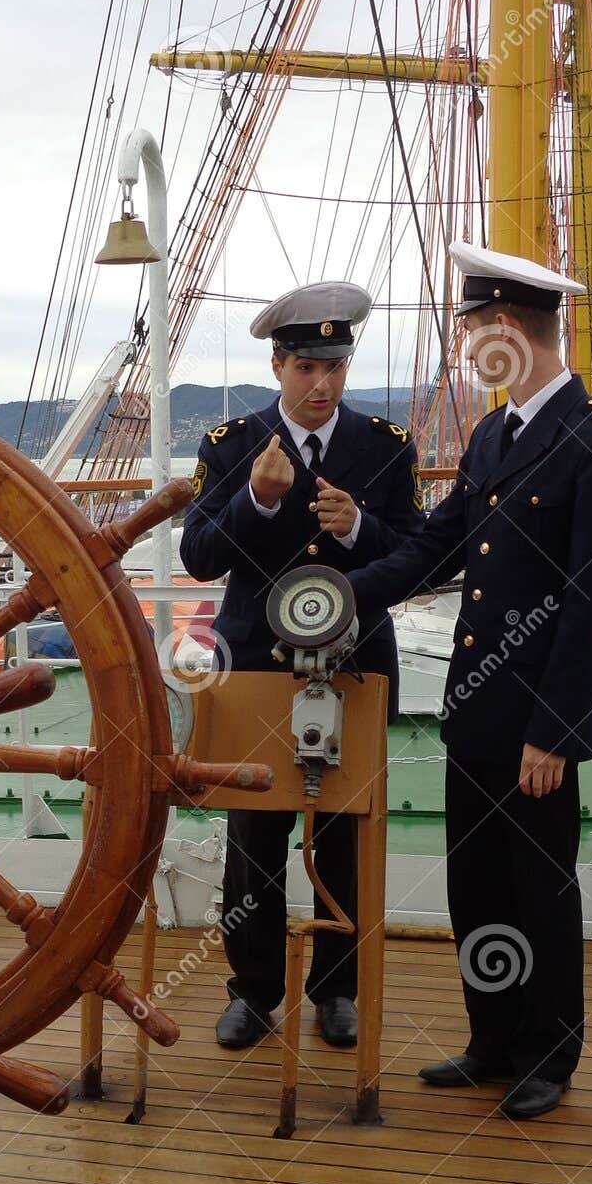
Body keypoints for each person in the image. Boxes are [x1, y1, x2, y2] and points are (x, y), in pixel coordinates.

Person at [343, 241, 592, 1119]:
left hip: (535, 724)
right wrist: (338, 593)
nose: (466, 346)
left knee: (539, 886)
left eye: (472, 329)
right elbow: (436, 546)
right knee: (474, 882)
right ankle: (491, 1036)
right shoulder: (492, 435)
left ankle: (548, 1053)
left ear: (509, 328)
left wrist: (554, 728)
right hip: (473, 711)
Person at [180, 281, 424, 1050]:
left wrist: (362, 528)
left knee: (347, 833)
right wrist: (253, 499)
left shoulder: (386, 446)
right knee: (255, 838)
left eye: (336, 368)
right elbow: (197, 555)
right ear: (279, 366)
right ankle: (252, 992)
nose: (323, 385)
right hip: (257, 666)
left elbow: (418, 556)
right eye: (307, 369)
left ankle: (337, 989)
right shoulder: (231, 447)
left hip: (355, 665)